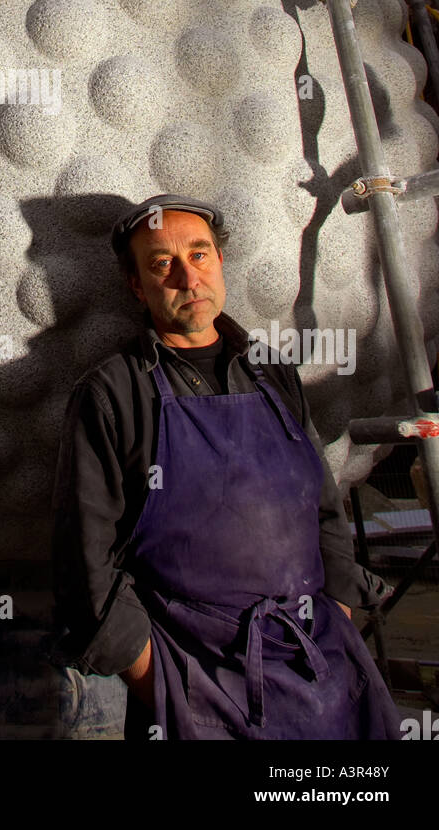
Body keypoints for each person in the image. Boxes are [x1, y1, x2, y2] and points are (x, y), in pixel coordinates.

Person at [49, 193, 403, 741]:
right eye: (162, 264)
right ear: (137, 287)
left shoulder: (274, 375)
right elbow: (85, 565)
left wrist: (339, 611)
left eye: (199, 255)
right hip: (200, 690)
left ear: (219, 263)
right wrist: (160, 682)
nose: (188, 279)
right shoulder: (112, 395)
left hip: (325, 668)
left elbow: (325, 510)